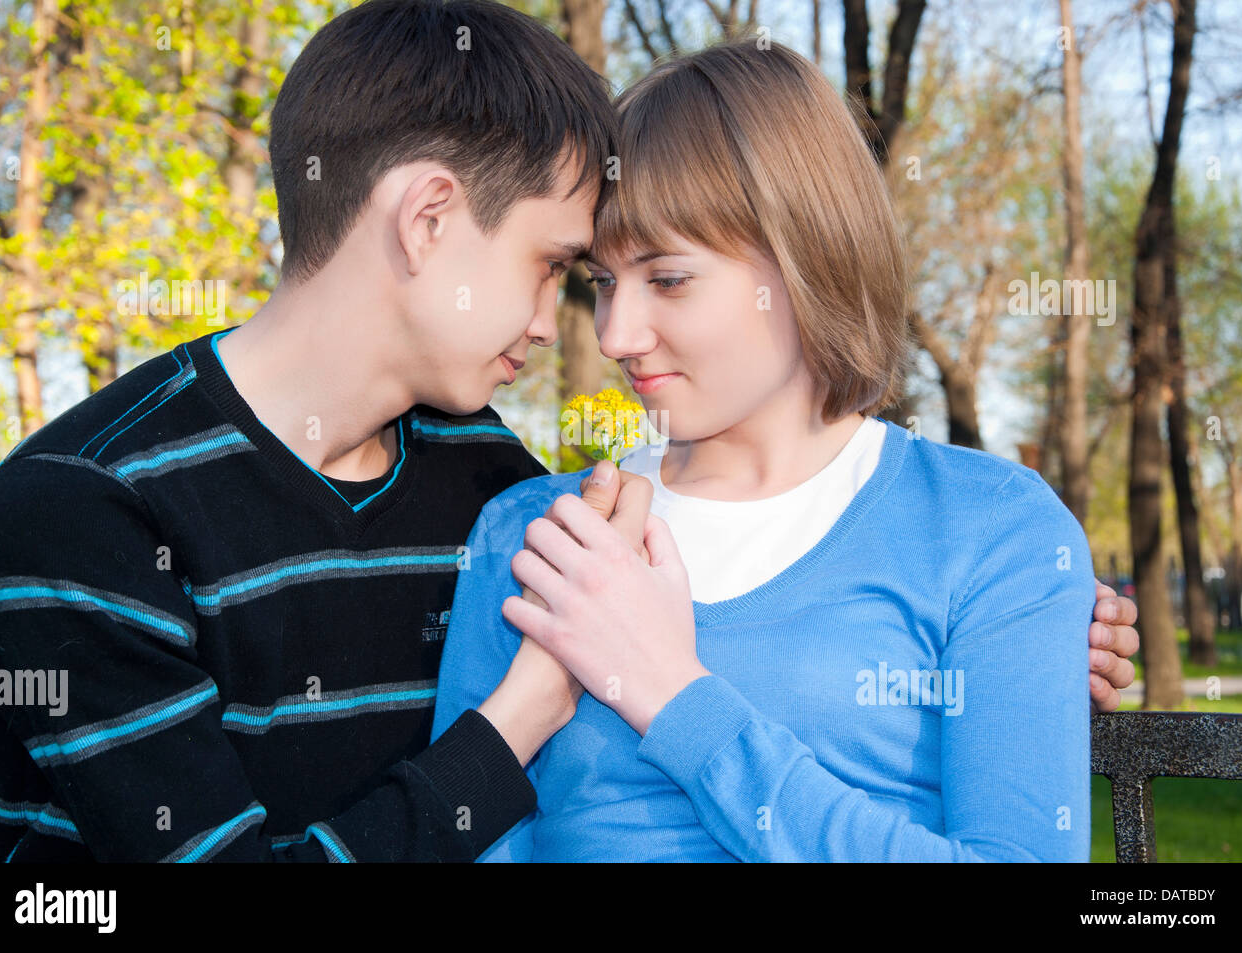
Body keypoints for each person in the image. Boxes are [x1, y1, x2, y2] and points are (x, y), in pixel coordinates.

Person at [430, 37, 1139, 862]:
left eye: (668, 279)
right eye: (604, 283)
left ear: (806, 259)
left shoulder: (991, 531)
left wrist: (674, 694)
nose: (618, 334)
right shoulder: (531, 533)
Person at [0, 0, 640, 863]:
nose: (553, 321)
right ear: (427, 219)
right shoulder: (83, 505)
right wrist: (524, 711)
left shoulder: (493, 482)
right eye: (549, 266)